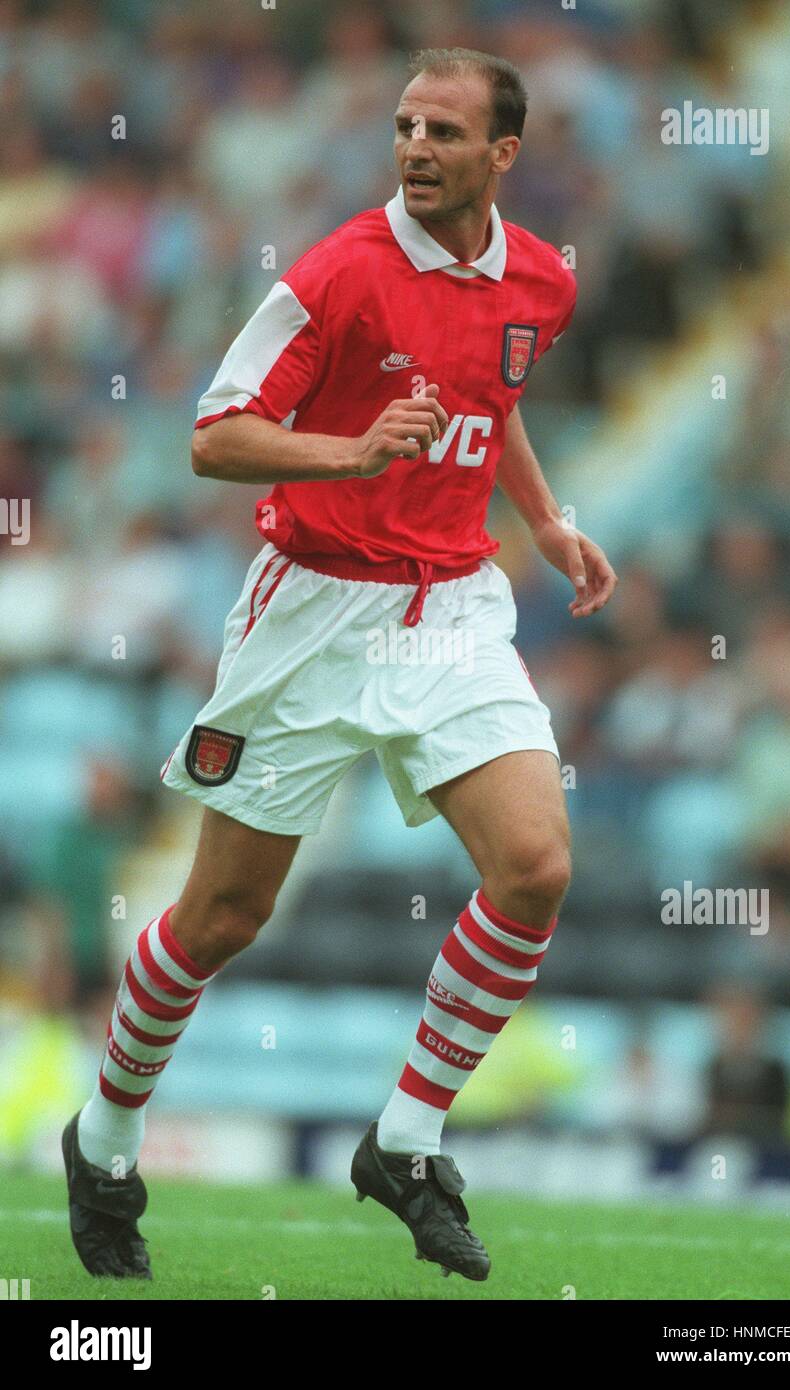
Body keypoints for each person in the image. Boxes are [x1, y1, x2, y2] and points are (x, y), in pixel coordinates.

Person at [62, 46, 617, 1284]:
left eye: (443, 131)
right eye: (405, 126)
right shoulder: (335, 275)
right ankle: (103, 1140)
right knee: (223, 918)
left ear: (502, 157)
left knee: (534, 866)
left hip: (449, 606)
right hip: (309, 615)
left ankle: (404, 1141)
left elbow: (494, 387)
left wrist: (543, 518)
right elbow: (214, 436)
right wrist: (353, 453)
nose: (415, 146)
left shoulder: (539, 277)